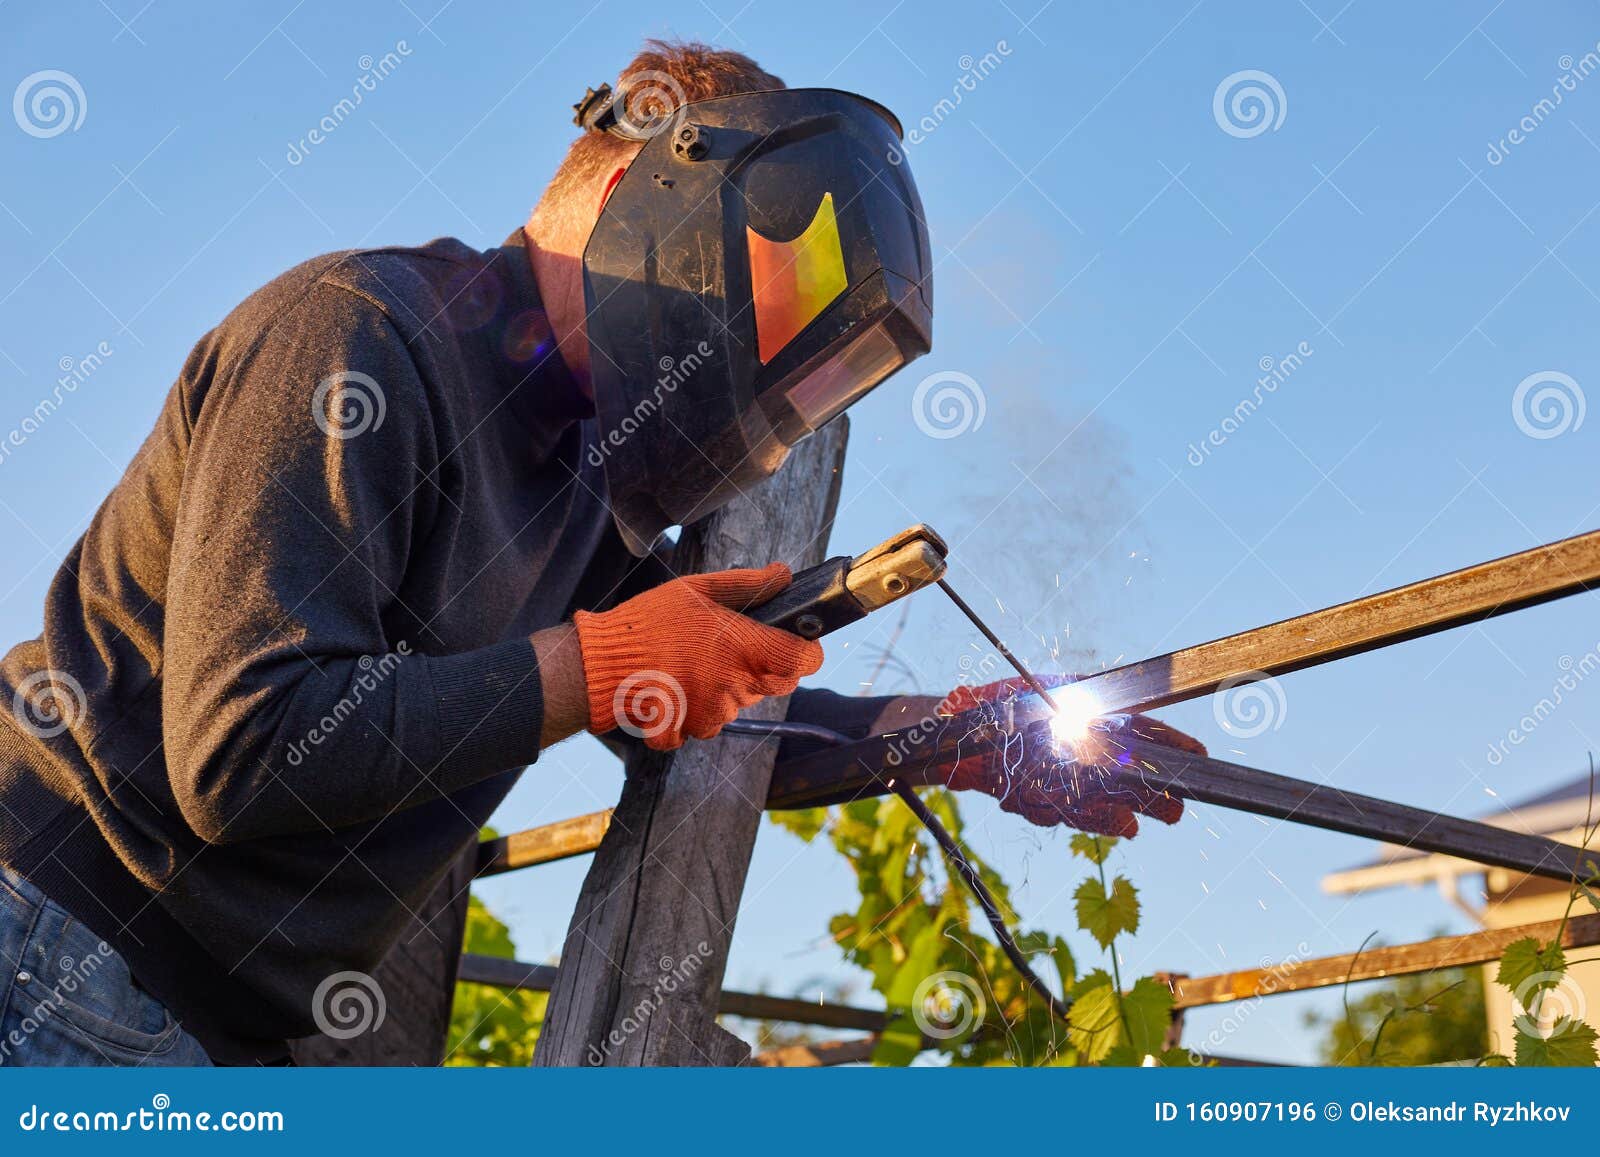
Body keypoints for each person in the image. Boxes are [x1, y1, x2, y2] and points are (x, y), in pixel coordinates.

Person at [0, 41, 1197, 1067]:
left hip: (207, 1028)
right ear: (646, 189)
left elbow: (719, 729)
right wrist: (604, 657)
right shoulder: (363, 333)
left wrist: (961, 739)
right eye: (758, 311)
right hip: (51, 937)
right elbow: (241, 747)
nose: (760, 384)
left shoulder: (581, 479)